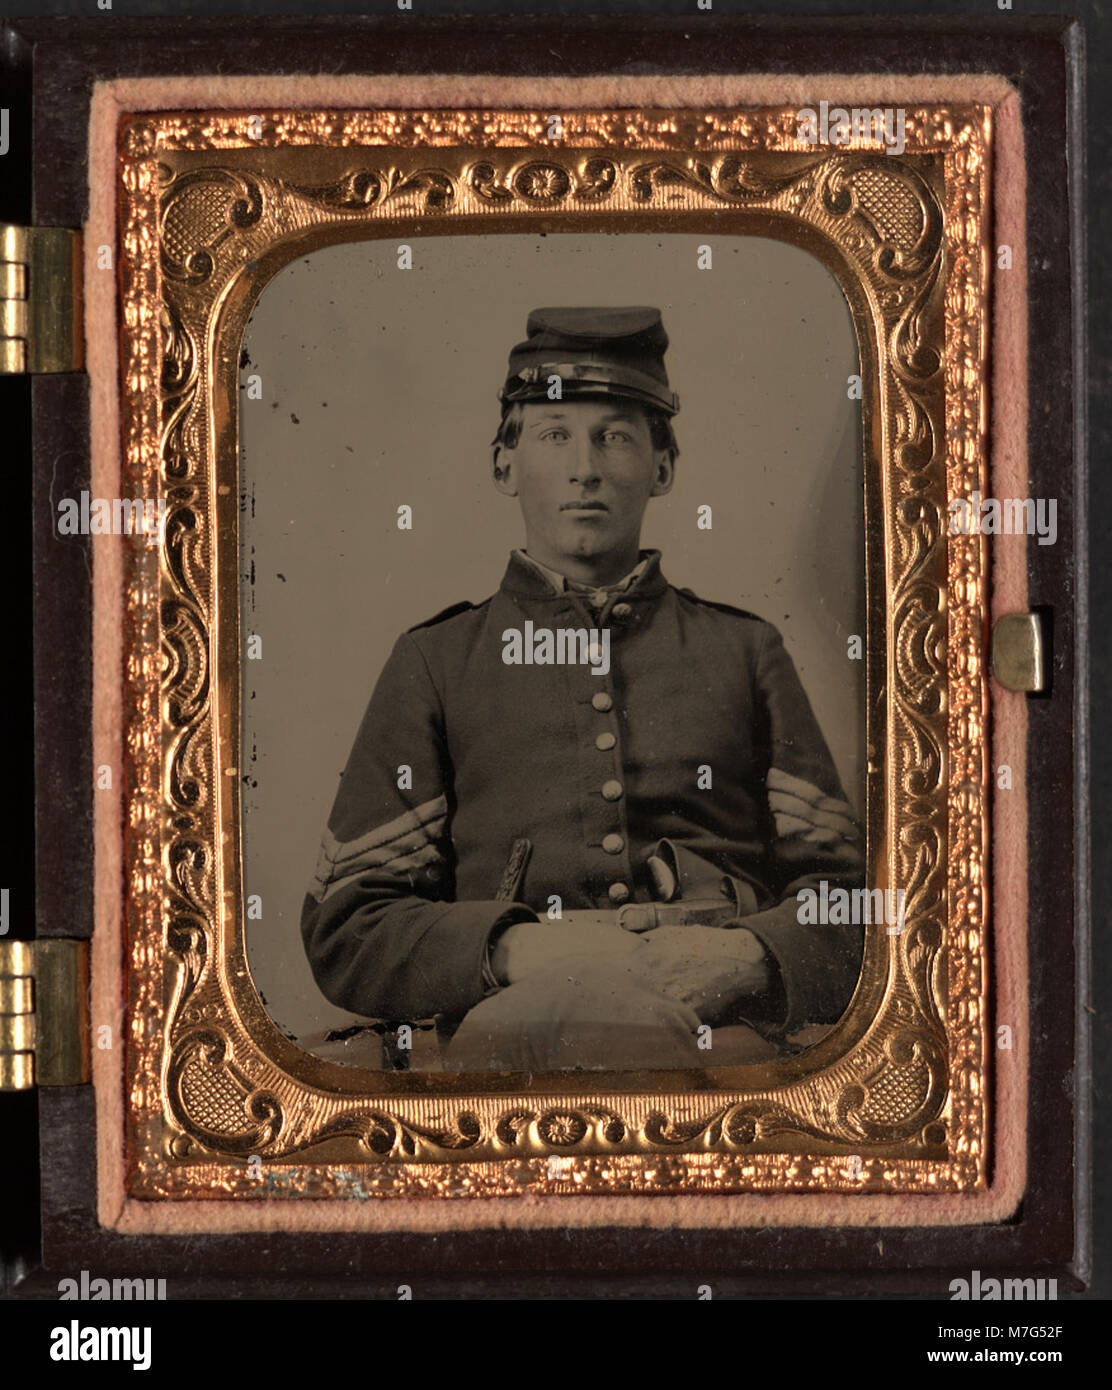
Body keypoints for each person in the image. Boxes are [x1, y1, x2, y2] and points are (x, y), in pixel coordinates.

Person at [301, 306, 864, 1071]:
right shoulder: (435, 662)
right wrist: (521, 949)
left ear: (663, 467)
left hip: (722, 1035)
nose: (585, 467)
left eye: (617, 435)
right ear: (504, 464)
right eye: (555, 434)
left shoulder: (745, 650)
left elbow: (850, 901)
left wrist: (747, 958)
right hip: (508, 1035)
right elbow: (349, 926)